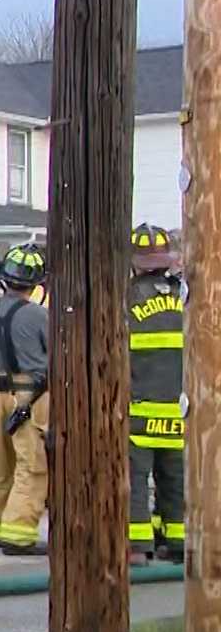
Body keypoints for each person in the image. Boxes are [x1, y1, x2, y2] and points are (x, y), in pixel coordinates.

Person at [0, 243, 51, 556]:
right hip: (29, 396)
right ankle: (18, 535)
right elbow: (55, 356)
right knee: (31, 467)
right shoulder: (39, 315)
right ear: (36, 283)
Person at [126, 223, 186, 565]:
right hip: (178, 411)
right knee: (175, 479)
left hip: (139, 410)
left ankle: (137, 548)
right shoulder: (184, 295)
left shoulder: (127, 296)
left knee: (135, 479)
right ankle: (178, 543)